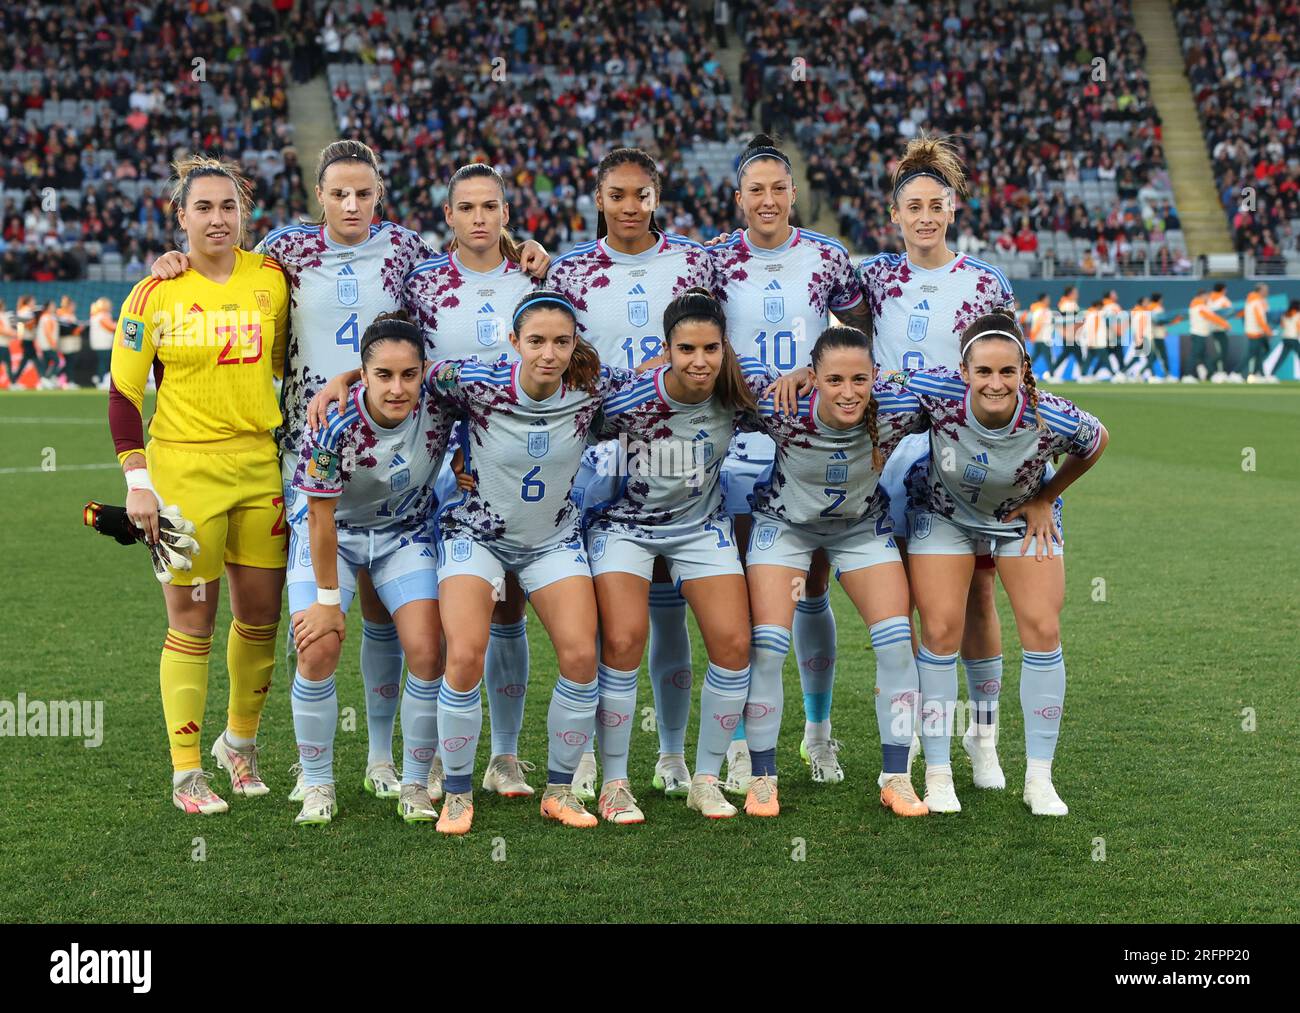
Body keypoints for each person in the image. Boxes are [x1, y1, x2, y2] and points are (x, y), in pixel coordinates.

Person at [152, 140, 549, 803]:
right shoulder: (285, 251)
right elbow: (222, 263)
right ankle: (265, 754)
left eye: (364, 193)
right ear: (319, 196)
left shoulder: (400, 250)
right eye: (339, 193)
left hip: (400, 452)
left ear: (380, 196)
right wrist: (174, 260)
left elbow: (469, 260)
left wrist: (520, 249)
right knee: (307, 620)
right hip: (311, 452)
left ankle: (380, 759)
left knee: (388, 618)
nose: (352, 204)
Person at [109, 155, 289, 814]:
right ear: (179, 216)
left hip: (260, 467)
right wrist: (138, 481)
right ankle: (187, 771)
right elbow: (124, 395)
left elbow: (287, 362)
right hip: (183, 472)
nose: (218, 218)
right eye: (203, 207)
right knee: (191, 622)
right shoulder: (152, 293)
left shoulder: (271, 279)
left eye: (228, 207)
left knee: (261, 616)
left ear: (244, 213)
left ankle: (238, 745)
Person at [423, 289, 635, 834]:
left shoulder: (594, 389)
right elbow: (404, 371)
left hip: (552, 538)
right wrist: (340, 382)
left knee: (580, 656)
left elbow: (661, 384)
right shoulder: (474, 380)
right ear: (514, 341)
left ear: (574, 345)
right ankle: (457, 791)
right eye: (536, 341)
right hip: (477, 534)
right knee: (466, 654)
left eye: (561, 341)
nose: (548, 353)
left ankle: (560, 790)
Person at [547, 147, 718, 802]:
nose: (628, 206)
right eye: (616, 194)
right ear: (597, 196)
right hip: (595, 455)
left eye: (640, 194)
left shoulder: (692, 263)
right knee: (600, 618)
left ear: (656, 196)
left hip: (679, 457)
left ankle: (672, 753)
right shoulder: (570, 271)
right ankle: (586, 754)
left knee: (670, 612)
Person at [889, 309, 1109, 815]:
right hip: (943, 513)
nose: (994, 382)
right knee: (941, 629)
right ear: (963, 372)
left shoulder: (1050, 414)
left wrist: (1047, 496)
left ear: (1023, 370)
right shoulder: (935, 388)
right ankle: (939, 774)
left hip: (1019, 517)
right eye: (983, 372)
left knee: (1042, 627)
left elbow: (1096, 441)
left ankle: (1038, 779)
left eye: (1006, 372)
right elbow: (877, 381)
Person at [707, 133, 870, 794]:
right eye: (757, 190)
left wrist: (816, 366)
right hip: (737, 436)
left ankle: (818, 731)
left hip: (811, 439)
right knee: (754, 588)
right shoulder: (713, 259)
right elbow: (691, 328)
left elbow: (860, 336)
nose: (768, 200)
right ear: (739, 197)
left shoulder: (828, 255)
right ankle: (746, 739)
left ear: (792, 193)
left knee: (813, 585)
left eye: (779, 188)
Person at [857, 134, 1017, 807]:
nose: (924, 216)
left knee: (977, 598)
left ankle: (982, 736)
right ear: (894, 215)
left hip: (965, 462)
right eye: (912, 206)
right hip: (890, 459)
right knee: (902, 606)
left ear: (952, 210)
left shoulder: (985, 281)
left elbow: (1009, 373)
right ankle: (911, 740)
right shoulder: (871, 278)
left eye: (935, 205)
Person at [584, 288, 772, 822]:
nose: (699, 360)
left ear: (724, 348)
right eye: (686, 349)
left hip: (699, 527)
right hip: (626, 526)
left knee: (736, 645)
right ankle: (615, 781)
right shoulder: (628, 397)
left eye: (710, 348)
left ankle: (706, 778)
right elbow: (560, 423)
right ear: (665, 349)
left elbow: (803, 408)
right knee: (621, 640)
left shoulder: (739, 390)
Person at [743, 324, 929, 818]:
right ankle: (762, 778)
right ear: (815, 378)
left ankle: (896, 777)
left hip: (860, 528)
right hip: (784, 527)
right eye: (834, 380)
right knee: (767, 645)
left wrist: (1040, 494)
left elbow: (960, 386)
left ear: (876, 378)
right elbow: (716, 379)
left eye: (860, 380)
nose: (849, 393)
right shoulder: (779, 408)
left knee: (895, 642)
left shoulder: (899, 407)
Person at [403, 162, 546, 800]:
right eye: (467, 208)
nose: (480, 218)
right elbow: (392, 358)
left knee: (509, 608)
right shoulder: (422, 285)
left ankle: (506, 757)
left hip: (515, 466)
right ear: (450, 216)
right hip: (435, 465)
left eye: (491, 206)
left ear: (506, 215)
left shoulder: (536, 276)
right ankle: (434, 756)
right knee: (442, 615)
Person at [288, 313, 456, 825]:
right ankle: (317, 783)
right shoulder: (333, 421)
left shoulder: (441, 398)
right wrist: (326, 602)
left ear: (424, 371)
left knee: (429, 651)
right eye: (383, 375)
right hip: (332, 534)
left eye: (409, 375)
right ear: (363, 374)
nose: (398, 387)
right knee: (317, 647)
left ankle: (413, 782)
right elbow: (318, 517)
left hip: (404, 533)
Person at [1239, 284, 1272, 382]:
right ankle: (1236, 373)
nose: (1267, 292)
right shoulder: (1255, 302)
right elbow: (1259, 318)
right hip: (1255, 332)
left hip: (1258, 331)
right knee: (1252, 353)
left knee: (1261, 352)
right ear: (1260, 291)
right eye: (1265, 290)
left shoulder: (1256, 300)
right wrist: (1268, 331)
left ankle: (1258, 373)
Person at [1264, 300, 1300, 382]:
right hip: (1293, 339)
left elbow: (1282, 326)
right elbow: (1298, 327)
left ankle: (1271, 375)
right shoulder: (1298, 315)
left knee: (1281, 358)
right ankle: (1271, 375)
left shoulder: (1285, 315)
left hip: (1285, 339)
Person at [88, 297, 117, 389]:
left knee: (102, 362)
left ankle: (99, 378)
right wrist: (120, 324)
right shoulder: (102, 316)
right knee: (103, 363)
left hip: (98, 343)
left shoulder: (95, 315)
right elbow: (112, 327)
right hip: (103, 344)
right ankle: (101, 380)